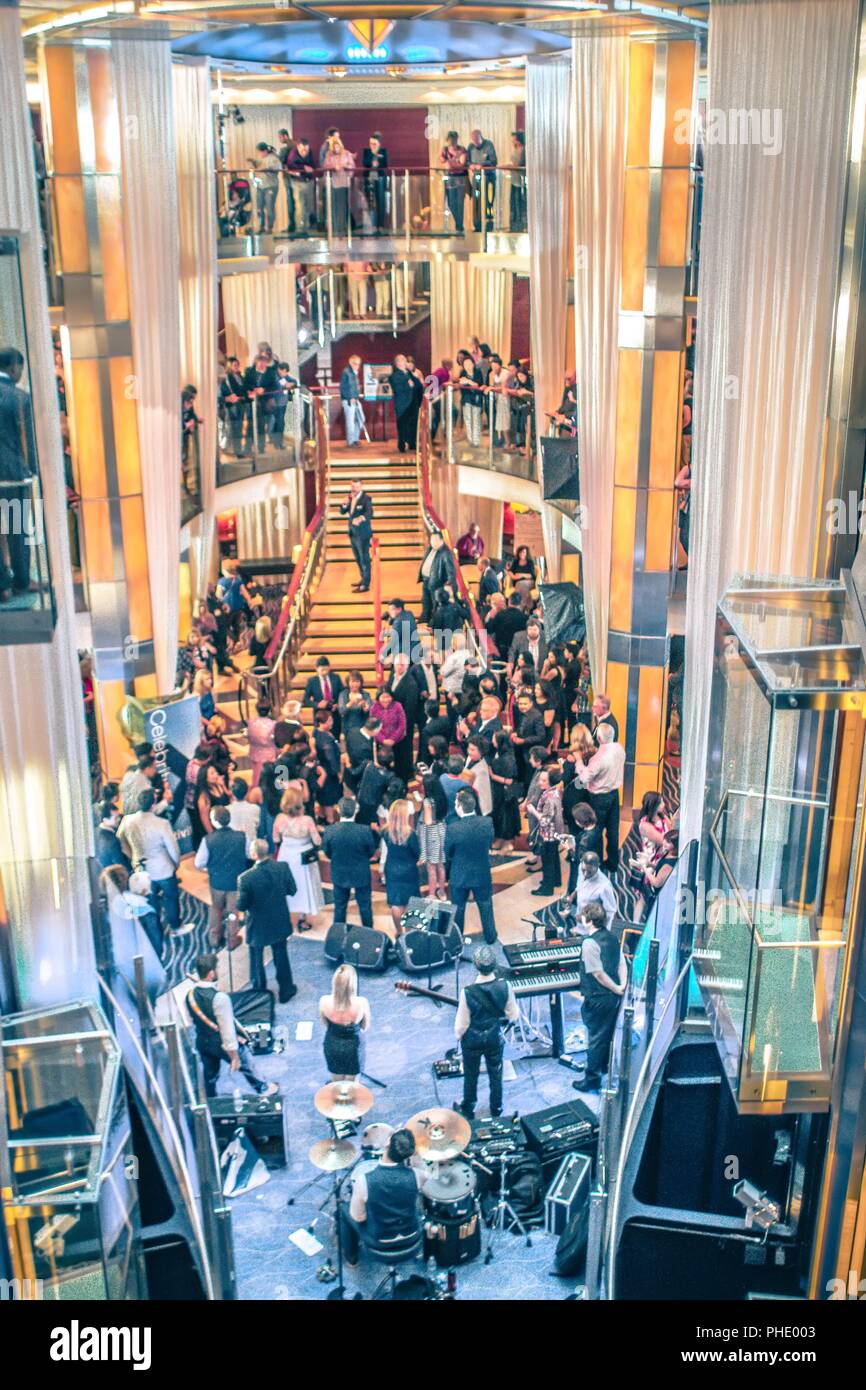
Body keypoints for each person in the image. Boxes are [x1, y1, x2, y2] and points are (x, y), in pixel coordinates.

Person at [187, 953, 278, 1100]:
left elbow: (200, 1002)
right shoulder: (220, 999)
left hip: (203, 1041)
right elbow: (227, 1031)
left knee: (210, 1073)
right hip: (222, 1043)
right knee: (246, 1064)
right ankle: (263, 1088)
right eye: (217, 968)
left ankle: (209, 1098)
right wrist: (234, 1057)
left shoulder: (190, 995)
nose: (219, 970)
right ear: (211, 974)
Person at [341, 1128, 424, 1269]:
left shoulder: (363, 1181)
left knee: (343, 1210)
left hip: (380, 1242)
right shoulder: (418, 1176)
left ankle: (352, 1258)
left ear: (386, 1144)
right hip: (412, 1237)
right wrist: (416, 1154)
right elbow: (433, 1173)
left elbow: (358, 1218)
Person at [455, 945, 518, 1119]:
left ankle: (468, 1107)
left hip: (472, 1040)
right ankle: (496, 1107)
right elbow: (513, 1015)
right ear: (495, 965)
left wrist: (458, 1037)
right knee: (496, 1074)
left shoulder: (467, 992)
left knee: (471, 1075)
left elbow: (461, 1024)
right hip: (494, 1039)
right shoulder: (505, 986)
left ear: (476, 966)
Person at [573, 901, 627, 1094]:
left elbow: (598, 974)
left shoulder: (589, 943)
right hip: (612, 998)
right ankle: (604, 1067)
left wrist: (614, 987)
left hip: (598, 998)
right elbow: (621, 963)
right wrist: (621, 986)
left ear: (588, 920)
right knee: (607, 1035)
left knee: (595, 1038)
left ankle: (592, 1079)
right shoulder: (612, 937)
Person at [236, 840, 298, 1003]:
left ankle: (260, 992)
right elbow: (292, 890)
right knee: (281, 955)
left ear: (254, 854)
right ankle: (286, 990)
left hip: (257, 924)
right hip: (279, 920)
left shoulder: (245, 878)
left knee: (256, 958)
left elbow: (241, 905)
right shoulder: (282, 867)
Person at [117, 789, 181, 936]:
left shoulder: (127, 820)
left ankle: (155, 932)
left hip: (141, 869)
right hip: (163, 869)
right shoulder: (162, 823)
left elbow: (120, 842)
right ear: (153, 803)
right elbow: (174, 849)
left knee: (150, 902)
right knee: (171, 898)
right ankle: (175, 927)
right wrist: (176, 864)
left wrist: (132, 855)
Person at [0, 347, 37, 599]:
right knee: (17, 529)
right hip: (13, 474)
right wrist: (34, 469)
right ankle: (22, 581)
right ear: (14, 368)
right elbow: (29, 441)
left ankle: (2, 586)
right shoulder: (19, 397)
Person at [445, 788, 497, 945]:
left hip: (459, 874)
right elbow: (489, 843)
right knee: (486, 904)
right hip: (481, 871)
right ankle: (490, 936)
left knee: (458, 908)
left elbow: (447, 852)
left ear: (460, 807)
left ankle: (457, 939)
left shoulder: (453, 828)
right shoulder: (487, 823)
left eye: (455, 803)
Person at [194, 805, 248, 948]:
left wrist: (208, 868)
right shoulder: (241, 836)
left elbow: (198, 863)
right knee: (233, 912)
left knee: (216, 909)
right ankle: (232, 940)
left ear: (214, 821)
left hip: (216, 882)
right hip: (235, 882)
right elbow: (248, 854)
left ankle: (214, 938)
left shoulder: (208, 840)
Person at [273, 785, 324, 931]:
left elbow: (275, 838)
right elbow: (317, 841)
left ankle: (286, 916)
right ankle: (303, 919)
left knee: (286, 885)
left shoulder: (279, 819)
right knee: (304, 886)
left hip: (287, 855)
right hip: (304, 856)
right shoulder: (307, 820)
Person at [576, 723, 625, 873]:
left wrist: (578, 760)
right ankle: (612, 863)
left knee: (595, 831)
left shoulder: (597, 758)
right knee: (613, 830)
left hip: (599, 798)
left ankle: (594, 864)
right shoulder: (619, 748)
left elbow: (584, 778)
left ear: (598, 737)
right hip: (614, 795)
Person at [322, 797, 378, 928]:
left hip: (339, 873)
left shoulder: (330, 830)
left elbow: (327, 852)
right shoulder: (364, 830)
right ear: (355, 811)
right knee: (365, 908)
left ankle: (338, 936)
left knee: (340, 908)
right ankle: (369, 935)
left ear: (338, 810)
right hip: (361, 873)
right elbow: (371, 852)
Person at [320, 964, 371, 1081]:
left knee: (336, 1080)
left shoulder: (324, 1001)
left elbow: (325, 1023)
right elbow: (364, 1026)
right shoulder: (361, 1003)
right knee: (352, 1083)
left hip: (332, 1045)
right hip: (353, 1047)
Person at [381, 799, 421, 935]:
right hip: (408, 870)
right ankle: (409, 931)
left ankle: (399, 932)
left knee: (396, 902)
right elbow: (417, 854)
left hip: (391, 868)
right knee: (410, 902)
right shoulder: (410, 834)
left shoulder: (385, 831)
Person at [340, 477, 373, 591]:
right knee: (358, 558)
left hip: (363, 533)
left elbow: (369, 513)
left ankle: (365, 584)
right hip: (353, 533)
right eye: (353, 486)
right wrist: (344, 505)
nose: (355, 489)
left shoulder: (366, 499)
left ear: (361, 487)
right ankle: (363, 578)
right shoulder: (350, 497)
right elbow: (343, 512)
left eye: (357, 487)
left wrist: (361, 518)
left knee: (364, 558)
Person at [572, 850, 619, 929]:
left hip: (593, 928)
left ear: (598, 866)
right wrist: (572, 896)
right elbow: (580, 885)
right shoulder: (581, 867)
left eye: (589, 872)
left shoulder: (604, 886)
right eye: (584, 870)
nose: (585, 874)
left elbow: (610, 912)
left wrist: (603, 933)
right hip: (580, 923)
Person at [418, 528, 456, 625]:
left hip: (437, 584)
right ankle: (425, 621)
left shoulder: (445, 553)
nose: (432, 542)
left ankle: (434, 624)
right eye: (431, 540)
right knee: (426, 603)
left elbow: (451, 571)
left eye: (435, 540)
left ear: (441, 540)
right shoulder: (430, 549)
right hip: (426, 581)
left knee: (435, 605)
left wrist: (449, 584)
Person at [389, 352, 422, 454]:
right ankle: (402, 445)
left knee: (413, 424)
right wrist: (409, 385)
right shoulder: (394, 376)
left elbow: (418, 385)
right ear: (398, 363)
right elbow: (399, 389)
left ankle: (412, 443)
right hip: (403, 405)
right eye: (403, 360)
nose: (405, 362)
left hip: (413, 404)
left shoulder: (409, 373)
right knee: (402, 425)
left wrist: (412, 384)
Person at [322, 135, 355, 236]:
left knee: (343, 206)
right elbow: (325, 166)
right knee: (334, 206)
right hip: (334, 183)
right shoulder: (329, 155)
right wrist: (333, 167)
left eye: (337, 146)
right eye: (334, 146)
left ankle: (343, 228)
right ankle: (336, 228)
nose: (336, 148)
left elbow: (352, 166)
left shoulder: (346, 153)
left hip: (344, 182)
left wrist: (345, 166)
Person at [467, 128, 497, 232]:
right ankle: (477, 225)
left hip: (489, 178)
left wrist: (482, 165)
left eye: (476, 140)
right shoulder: (470, 147)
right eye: (473, 140)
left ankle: (489, 225)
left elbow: (494, 161)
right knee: (477, 201)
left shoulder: (489, 145)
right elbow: (467, 161)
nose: (475, 143)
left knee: (489, 201)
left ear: (481, 137)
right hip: (477, 179)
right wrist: (471, 165)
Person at [219, 356, 249, 457]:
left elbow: (244, 388)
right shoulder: (226, 377)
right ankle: (231, 450)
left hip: (241, 404)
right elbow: (224, 393)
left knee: (238, 429)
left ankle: (238, 450)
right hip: (231, 406)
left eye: (238, 364)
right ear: (229, 366)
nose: (237, 367)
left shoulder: (240, 376)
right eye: (234, 365)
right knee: (231, 429)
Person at [286, 137, 316, 233]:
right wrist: (303, 167)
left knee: (309, 205)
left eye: (306, 149)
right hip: (297, 182)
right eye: (303, 149)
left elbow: (313, 165)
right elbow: (291, 166)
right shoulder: (293, 154)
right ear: (298, 147)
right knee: (300, 205)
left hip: (309, 181)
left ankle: (306, 226)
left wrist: (309, 168)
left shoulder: (310, 152)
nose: (305, 152)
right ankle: (300, 227)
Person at [303, 654, 344, 725]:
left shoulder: (336, 678)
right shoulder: (312, 681)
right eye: (322, 670)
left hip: (334, 714)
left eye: (326, 669)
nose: (324, 672)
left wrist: (338, 704)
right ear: (316, 669)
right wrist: (317, 704)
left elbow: (343, 693)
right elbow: (305, 700)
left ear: (329, 668)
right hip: (320, 715)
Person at [440, 131, 468, 233]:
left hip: (461, 178)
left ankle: (459, 226)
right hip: (450, 178)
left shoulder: (462, 149)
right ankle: (458, 222)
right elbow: (444, 164)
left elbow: (462, 163)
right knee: (451, 202)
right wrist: (455, 162)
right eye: (450, 139)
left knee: (460, 202)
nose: (452, 141)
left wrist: (452, 164)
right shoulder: (445, 150)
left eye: (453, 139)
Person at [251, 142, 281, 233]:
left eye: (260, 152)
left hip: (270, 186)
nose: (259, 154)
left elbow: (276, 169)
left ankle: (270, 227)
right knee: (259, 207)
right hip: (260, 186)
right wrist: (253, 162)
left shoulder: (273, 159)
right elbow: (258, 165)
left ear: (264, 151)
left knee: (269, 207)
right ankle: (261, 226)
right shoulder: (261, 159)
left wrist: (264, 169)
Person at [361, 132, 389, 231]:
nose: (372, 145)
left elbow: (386, 163)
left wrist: (378, 163)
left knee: (380, 201)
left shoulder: (383, 151)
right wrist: (372, 158)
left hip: (380, 178)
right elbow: (364, 163)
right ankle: (372, 224)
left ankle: (380, 225)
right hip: (369, 179)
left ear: (379, 144)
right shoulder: (367, 152)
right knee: (370, 202)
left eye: (374, 144)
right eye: (371, 143)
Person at [246, 701, 277, 787]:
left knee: (256, 778)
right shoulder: (273, 724)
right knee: (269, 780)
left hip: (255, 753)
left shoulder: (251, 723)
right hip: (269, 755)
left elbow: (249, 738)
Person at [228, 777, 261, 859]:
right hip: (252, 851)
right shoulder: (255, 808)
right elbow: (257, 826)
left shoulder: (226, 809)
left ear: (232, 793)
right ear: (247, 792)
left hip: (233, 851)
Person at [339, 354, 364, 448]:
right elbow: (343, 388)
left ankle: (355, 439)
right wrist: (350, 398)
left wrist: (356, 397)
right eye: (355, 363)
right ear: (350, 362)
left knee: (360, 419)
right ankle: (351, 442)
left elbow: (354, 387)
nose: (357, 366)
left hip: (355, 400)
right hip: (348, 400)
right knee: (350, 422)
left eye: (358, 364)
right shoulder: (346, 372)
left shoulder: (354, 372)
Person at [384, 597, 419, 663]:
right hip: (415, 652)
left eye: (392, 609)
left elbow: (393, 642)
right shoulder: (409, 614)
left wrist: (383, 654)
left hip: (404, 656)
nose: (390, 612)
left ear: (399, 609)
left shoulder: (398, 622)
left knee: (395, 672)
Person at [337, 670, 372, 736]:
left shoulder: (365, 694)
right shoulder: (343, 694)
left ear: (361, 683)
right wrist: (351, 703)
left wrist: (364, 705)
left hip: (363, 728)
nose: (355, 684)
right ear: (348, 682)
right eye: (352, 681)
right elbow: (341, 711)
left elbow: (370, 710)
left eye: (357, 681)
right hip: (347, 729)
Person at [509, 130, 526, 231]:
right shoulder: (515, 149)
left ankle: (520, 225)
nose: (512, 141)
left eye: (514, 139)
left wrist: (510, 166)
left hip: (521, 180)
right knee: (514, 203)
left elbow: (519, 163)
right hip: (514, 179)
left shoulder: (523, 150)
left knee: (519, 201)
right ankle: (514, 224)